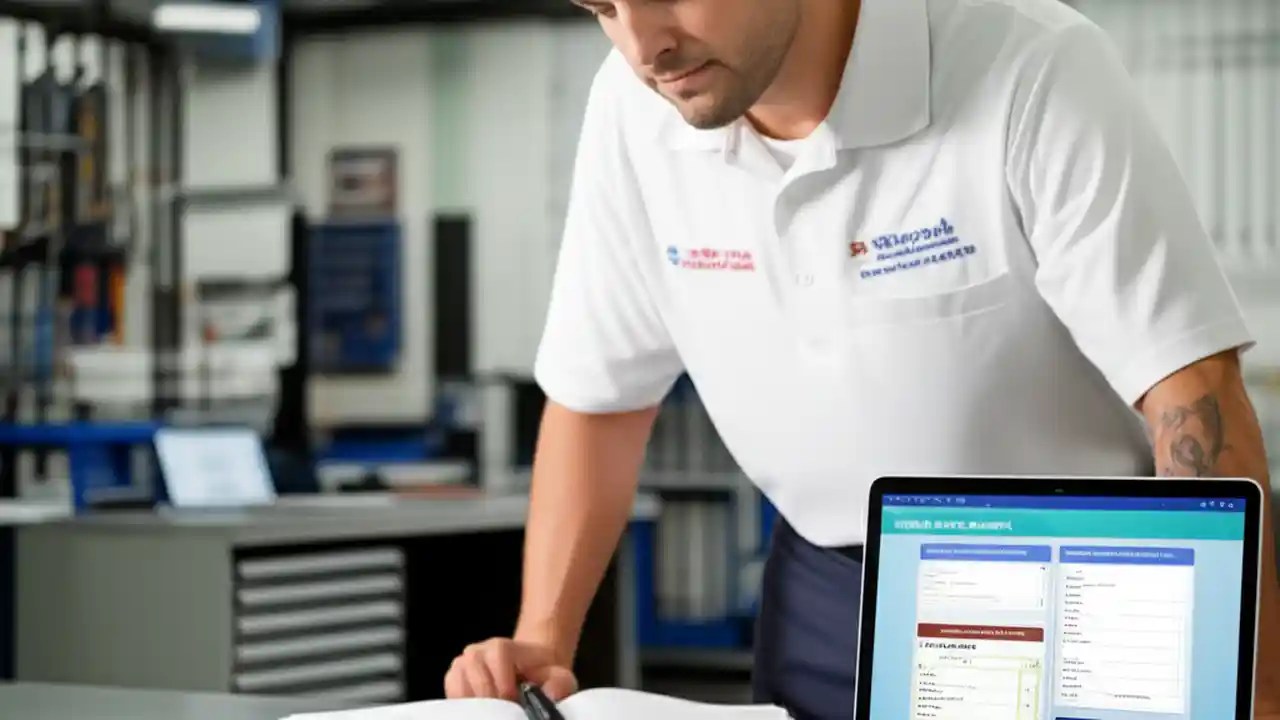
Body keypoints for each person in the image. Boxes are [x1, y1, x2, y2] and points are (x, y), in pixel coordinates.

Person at [445, 0, 1280, 718]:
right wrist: (544, 637)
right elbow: (599, 399)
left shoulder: (1030, 63)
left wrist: (1255, 697)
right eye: (602, 8)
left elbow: (1192, 393)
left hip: (1074, 586)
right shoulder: (633, 110)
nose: (643, 46)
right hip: (823, 598)